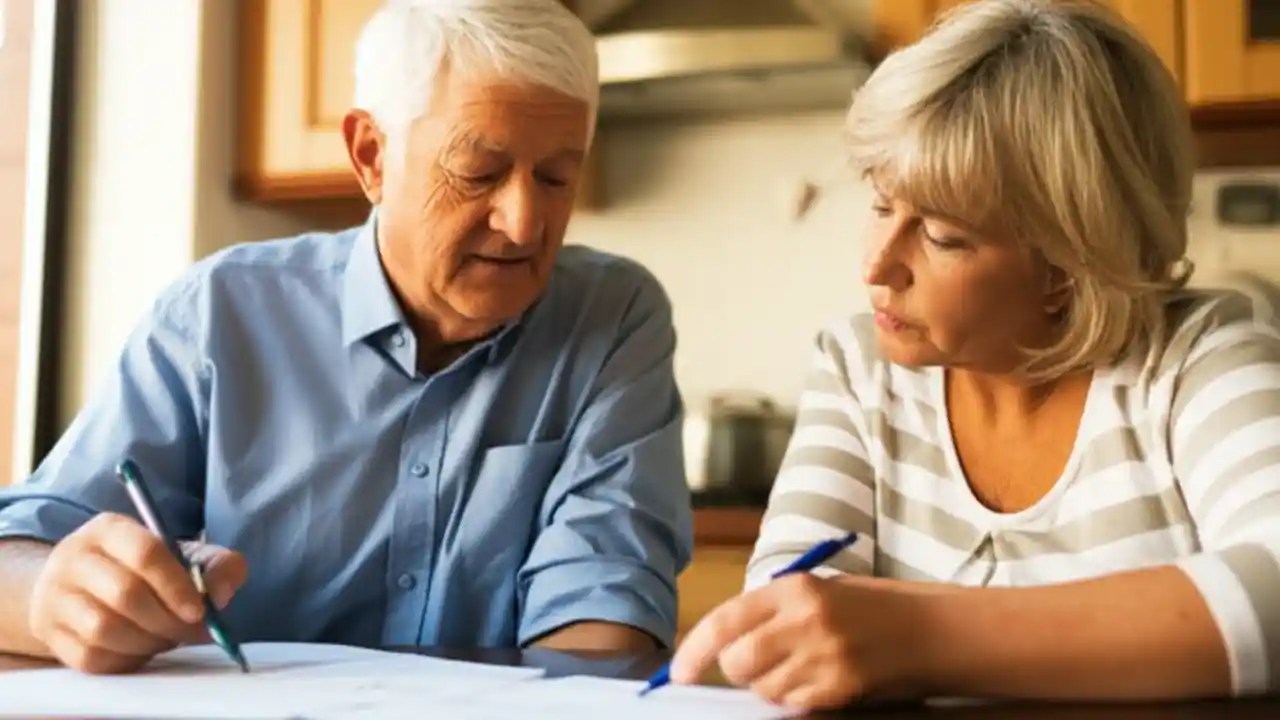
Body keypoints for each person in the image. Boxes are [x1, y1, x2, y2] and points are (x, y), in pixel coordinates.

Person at [0, 0, 691, 674]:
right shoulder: (220, 312)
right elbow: (17, 554)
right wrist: (52, 597)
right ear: (371, 156)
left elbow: (603, 595)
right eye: (479, 173)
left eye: (556, 177)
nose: (523, 222)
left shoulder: (612, 316)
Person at [669, 0, 1280, 710]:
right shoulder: (858, 366)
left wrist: (921, 634)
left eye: (939, 235)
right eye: (879, 205)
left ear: (1068, 267)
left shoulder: (1196, 363)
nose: (876, 266)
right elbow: (789, 609)